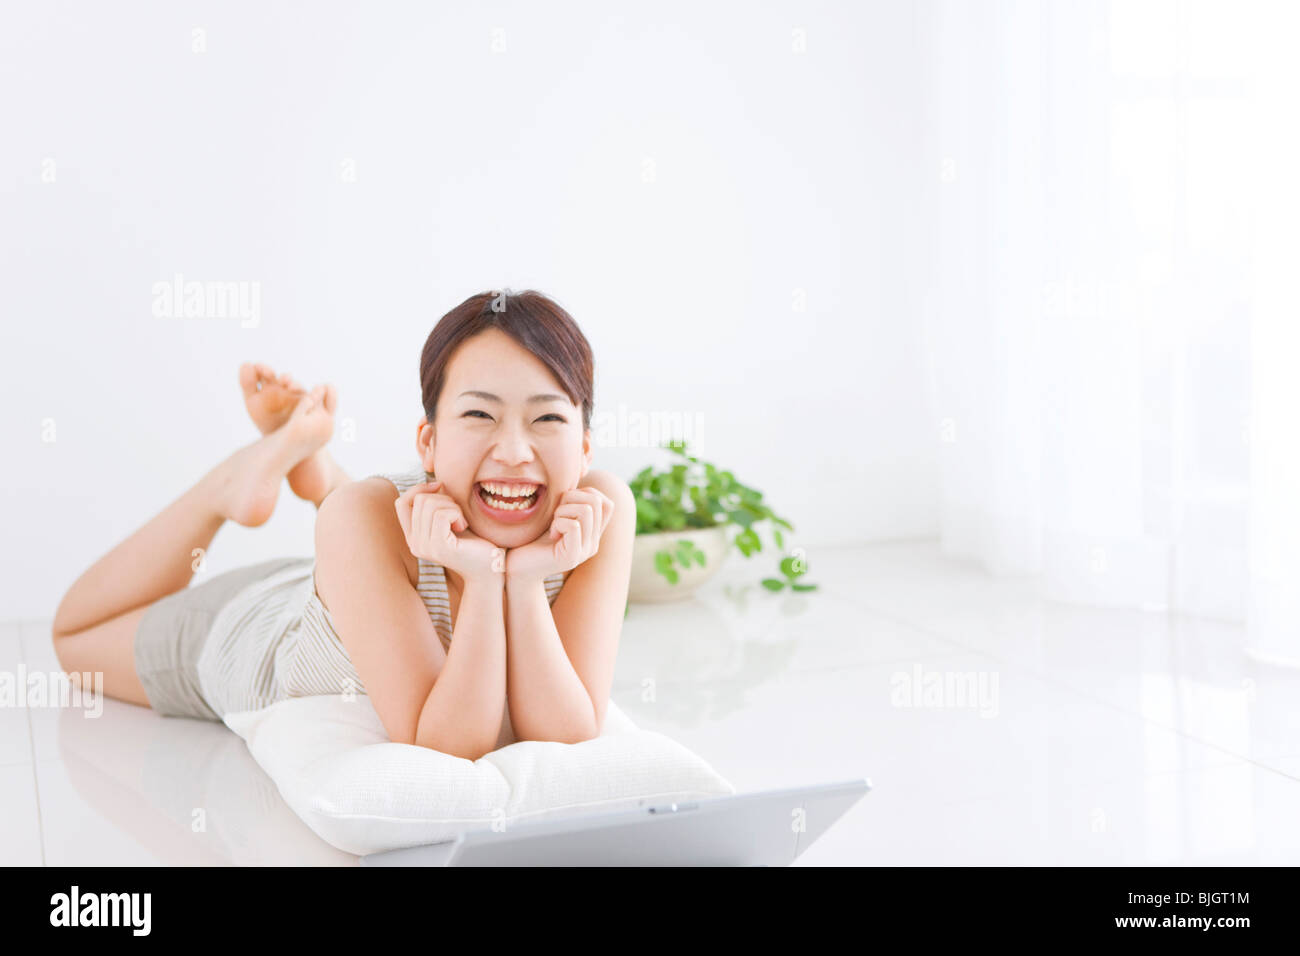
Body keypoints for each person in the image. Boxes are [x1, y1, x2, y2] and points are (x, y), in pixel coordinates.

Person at [51, 289, 636, 760]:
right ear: (428, 444)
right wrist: (485, 582)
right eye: (480, 413)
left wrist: (524, 581)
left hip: (360, 572)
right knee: (72, 640)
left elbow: (565, 736)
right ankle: (226, 487)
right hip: (262, 631)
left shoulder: (598, 512)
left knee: (355, 522)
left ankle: (316, 468)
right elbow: (449, 746)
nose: (513, 450)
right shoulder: (363, 519)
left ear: (584, 449)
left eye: (547, 418)